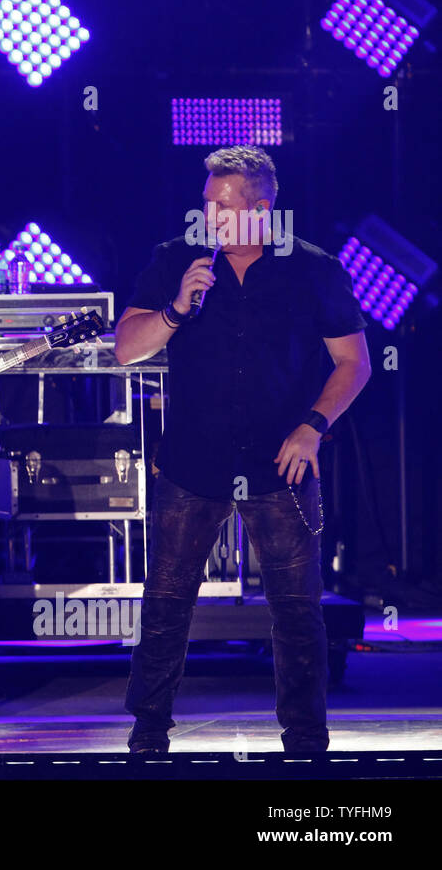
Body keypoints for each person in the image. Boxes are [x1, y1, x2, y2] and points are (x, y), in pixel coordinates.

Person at [115, 145, 371, 753]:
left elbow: (353, 363)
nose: (209, 217)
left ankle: (306, 740)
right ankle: (149, 733)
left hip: (279, 462)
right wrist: (177, 309)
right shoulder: (174, 260)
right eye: (206, 205)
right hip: (193, 461)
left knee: (296, 608)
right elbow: (126, 347)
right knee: (167, 599)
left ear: (261, 210)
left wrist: (313, 425)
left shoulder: (313, 269)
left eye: (223, 208)